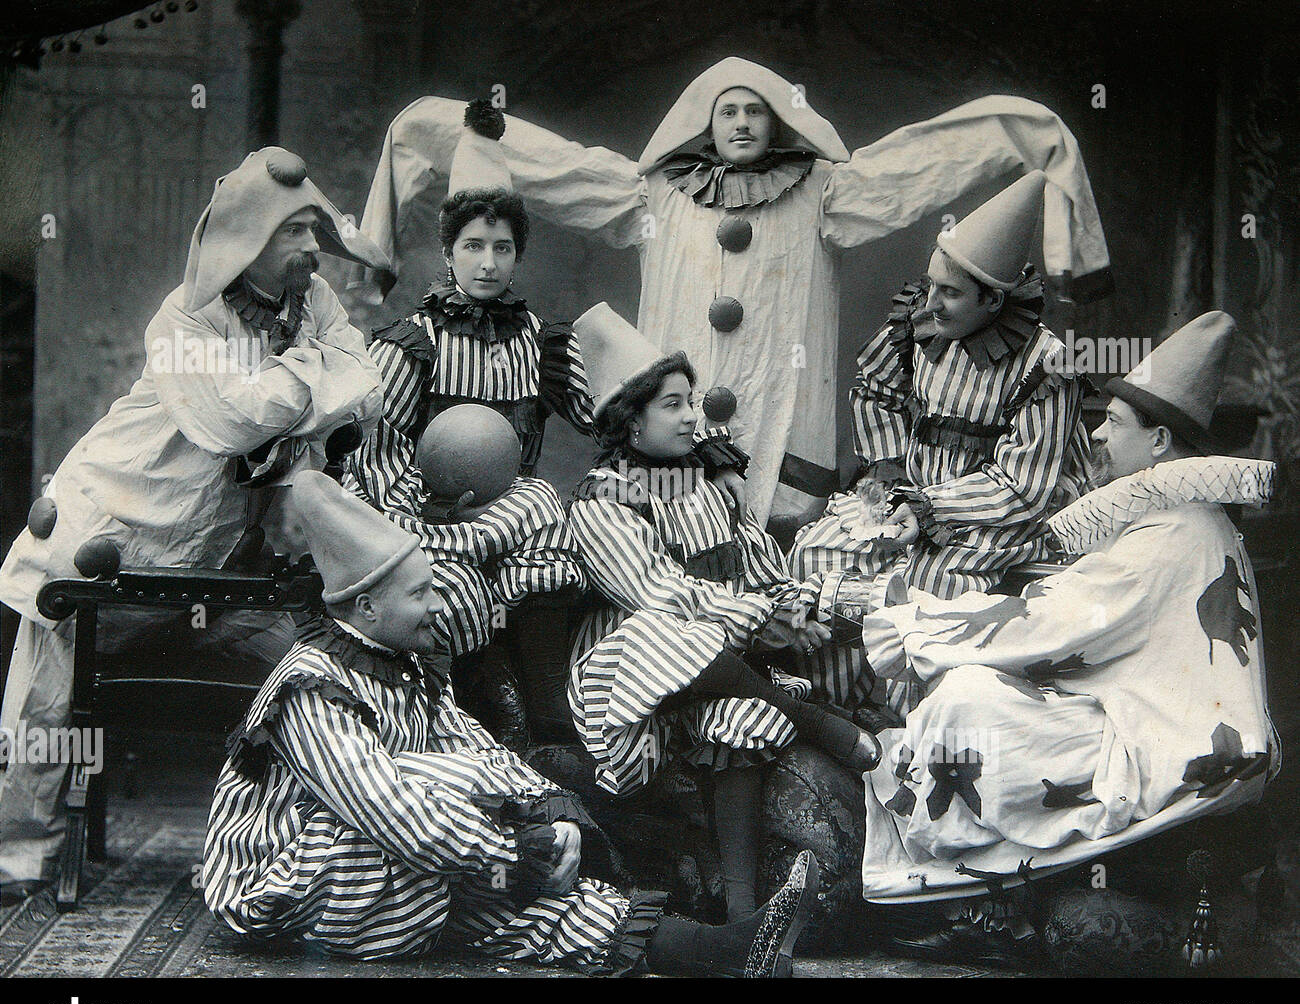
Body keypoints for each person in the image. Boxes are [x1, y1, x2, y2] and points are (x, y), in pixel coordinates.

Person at [359, 58, 1111, 532]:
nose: (744, 123)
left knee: (781, 541)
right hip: (677, 426)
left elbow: (925, 161)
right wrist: (479, 133)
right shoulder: (652, 192)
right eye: (729, 112)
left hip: (787, 407)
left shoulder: (824, 191)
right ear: (705, 124)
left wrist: (1028, 133)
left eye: (755, 111)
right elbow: (560, 168)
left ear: (779, 119)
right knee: (680, 536)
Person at [203, 470, 822, 977]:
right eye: (420, 594)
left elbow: (474, 745)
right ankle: (705, 943)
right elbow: (387, 806)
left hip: (395, 849)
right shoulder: (312, 686)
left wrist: (549, 810)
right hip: (287, 877)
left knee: (501, 882)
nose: (439, 605)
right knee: (453, 826)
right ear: (365, 606)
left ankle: (728, 955)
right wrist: (516, 848)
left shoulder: (406, 663)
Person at [0, 148, 389, 901]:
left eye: (314, 229)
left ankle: (318, 840)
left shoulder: (315, 306)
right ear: (247, 240)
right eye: (294, 232)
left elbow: (366, 384)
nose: (313, 249)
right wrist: (316, 373)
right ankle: (20, 851)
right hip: (109, 523)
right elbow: (232, 422)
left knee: (300, 664)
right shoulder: (180, 320)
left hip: (209, 557)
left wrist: (297, 376)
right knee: (47, 702)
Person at [857, 312, 1279, 907]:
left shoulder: (1175, 531)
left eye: (1111, 421)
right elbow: (1078, 603)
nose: (1098, 437)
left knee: (968, 701)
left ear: (1159, 441)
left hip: (1160, 745)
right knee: (972, 695)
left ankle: (974, 880)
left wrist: (911, 622)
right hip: (1145, 717)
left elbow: (1058, 620)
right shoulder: (1182, 517)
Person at [565, 304, 880, 923]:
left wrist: (792, 607)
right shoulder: (603, 502)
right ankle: (814, 721)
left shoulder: (710, 486)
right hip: (637, 674)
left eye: (691, 400)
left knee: (745, 720)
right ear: (630, 425)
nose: (692, 417)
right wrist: (758, 617)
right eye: (672, 406)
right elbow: (660, 594)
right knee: (666, 626)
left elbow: (762, 568)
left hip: (725, 665)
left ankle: (741, 918)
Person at [344, 101, 605, 742]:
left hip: (514, 521)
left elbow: (602, 414)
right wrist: (428, 509)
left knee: (556, 550)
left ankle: (548, 717)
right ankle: (474, 720)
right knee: (455, 590)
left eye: (502, 248)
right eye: (473, 247)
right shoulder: (413, 342)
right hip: (425, 519)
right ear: (448, 250)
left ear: (519, 254)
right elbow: (378, 450)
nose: (487, 264)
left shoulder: (543, 340)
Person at [790, 171, 1091, 706]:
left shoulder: (1047, 366)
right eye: (931, 284)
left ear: (994, 301)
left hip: (994, 519)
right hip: (911, 495)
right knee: (816, 552)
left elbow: (1026, 488)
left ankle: (913, 736)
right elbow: (875, 386)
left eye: (950, 292)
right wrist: (890, 471)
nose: (931, 303)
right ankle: (839, 709)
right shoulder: (923, 325)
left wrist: (932, 508)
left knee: (925, 588)